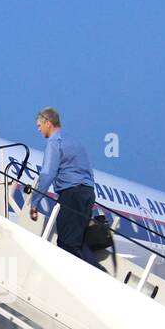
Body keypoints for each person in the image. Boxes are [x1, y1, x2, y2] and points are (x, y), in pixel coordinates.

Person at [29, 108, 105, 270]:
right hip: (87, 193)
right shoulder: (75, 143)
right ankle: (98, 271)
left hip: (71, 194)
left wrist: (35, 202)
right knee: (79, 242)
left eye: (39, 125)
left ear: (48, 124)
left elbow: (48, 173)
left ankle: (98, 275)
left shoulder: (54, 143)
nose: (38, 129)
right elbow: (89, 172)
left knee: (66, 244)